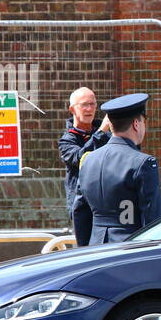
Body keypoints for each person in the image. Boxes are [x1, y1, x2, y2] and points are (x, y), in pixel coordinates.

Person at [78, 93, 161, 244]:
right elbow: (151, 219)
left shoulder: (88, 160)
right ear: (136, 124)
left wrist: (84, 249)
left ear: (110, 125)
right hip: (130, 249)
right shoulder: (143, 163)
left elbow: (79, 211)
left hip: (94, 246)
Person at [58, 86, 110, 246]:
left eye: (92, 104)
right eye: (84, 105)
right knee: (86, 249)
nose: (89, 109)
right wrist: (101, 133)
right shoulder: (67, 140)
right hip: (83, 205)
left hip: (107, 199)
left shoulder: (107, 133)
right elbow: (81, 158)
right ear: (72, 109)